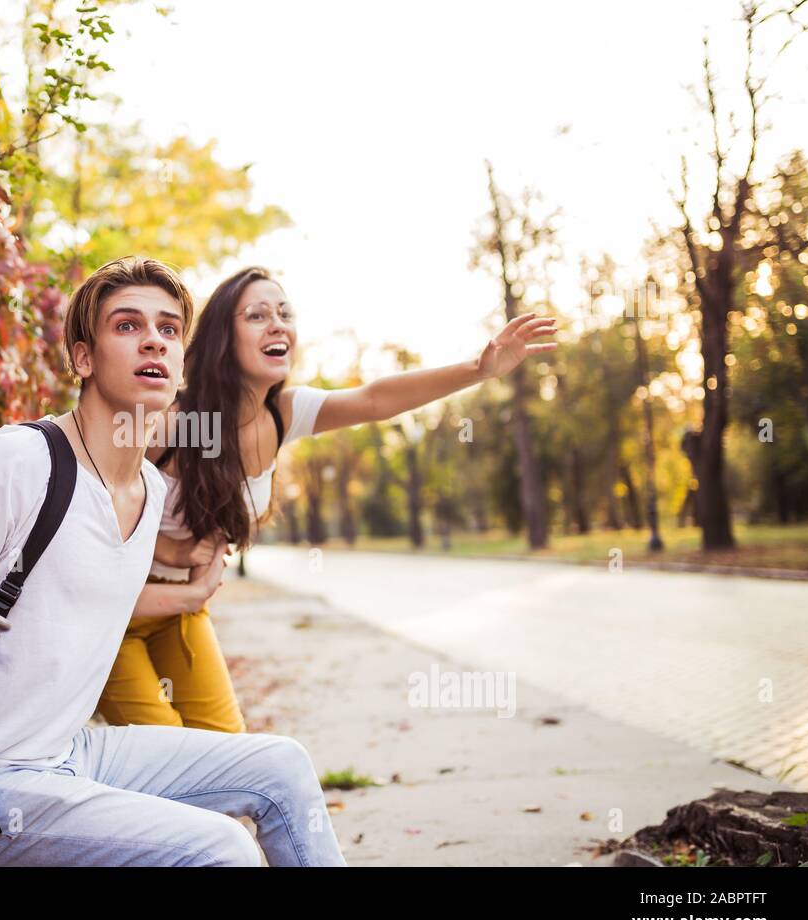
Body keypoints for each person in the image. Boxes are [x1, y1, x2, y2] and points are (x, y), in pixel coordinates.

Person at [0, 256, 347, 866]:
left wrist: (192, 585)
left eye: (167, 329)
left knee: (281, 767)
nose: (153, 339)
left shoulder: (152, 491)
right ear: (83, 358)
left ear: (182, 365)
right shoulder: (22, 461)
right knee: (221, 847)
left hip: (67, 754)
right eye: (127, 326)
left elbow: (82, 598)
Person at [97, 265, 557, 734]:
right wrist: (168, 549)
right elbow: (92, 506)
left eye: (284, 313)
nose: (277, 324)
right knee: (169, 761)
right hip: (112, 610)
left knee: (227, 755)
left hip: (181, 610)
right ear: (222, 337)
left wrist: (479, 370)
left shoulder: (284, 413)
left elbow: (376, 399)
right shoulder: (171, 420)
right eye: (256, 316)